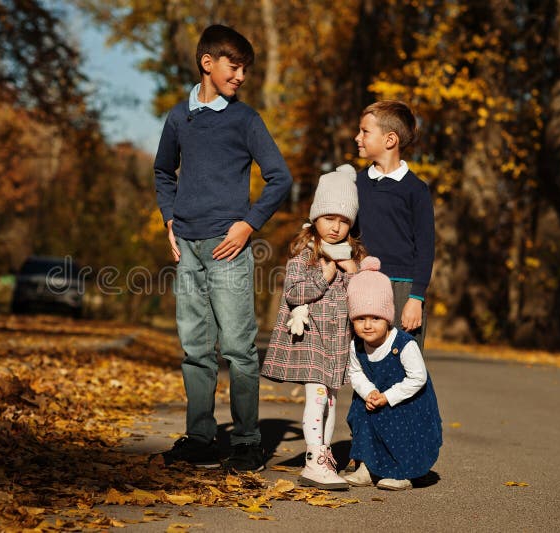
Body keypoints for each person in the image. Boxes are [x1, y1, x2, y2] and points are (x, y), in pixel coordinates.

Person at [154, 24, 292, 472]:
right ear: (207, 63)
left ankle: (248, 441)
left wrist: (247, 226)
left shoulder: (246, 119)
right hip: (187, 247)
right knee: (195, 347)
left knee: (237, 348)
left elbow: (280, 178)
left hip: (227, 248)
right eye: (235, 67)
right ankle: (201, 438)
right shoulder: (179, 118)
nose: (241, 76)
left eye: (246, 69)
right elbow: (162, 173)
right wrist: (170, 219)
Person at [261, 164, 365, 490]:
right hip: (311, 339)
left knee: (331, 400)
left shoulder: (353, 258)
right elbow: (292, 294)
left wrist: (355, 273)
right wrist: (325, 276)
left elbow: (364, 300)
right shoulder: (303, 256)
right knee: (317, 396)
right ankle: (313, 460)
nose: (335, 227)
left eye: (343, 220)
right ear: (315, 217)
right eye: (329, 218)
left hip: (337, 342)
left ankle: (325, 454)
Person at [344, 256, 442, 490]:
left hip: (407, 400)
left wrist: (389, 397)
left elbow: (418, 377)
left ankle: (401, 471)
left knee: (401, 429)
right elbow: (355, 373)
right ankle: (366, 465)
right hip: (374, 396)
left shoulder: (404, 344)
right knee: (361, 415)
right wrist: (369, 392)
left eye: (375, 318)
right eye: (360, 319)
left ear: (387, 318)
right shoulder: (356, 345)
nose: (367, 325)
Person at [354, 100, 434, 350]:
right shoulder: (355, 184)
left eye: (365, 131)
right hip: (364, 284)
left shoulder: (416, 190)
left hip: (404, 289)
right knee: (365, 364)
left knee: (405, 366)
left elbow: (425, 247)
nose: (357, 137)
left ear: (390, 140)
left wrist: (416, 298)